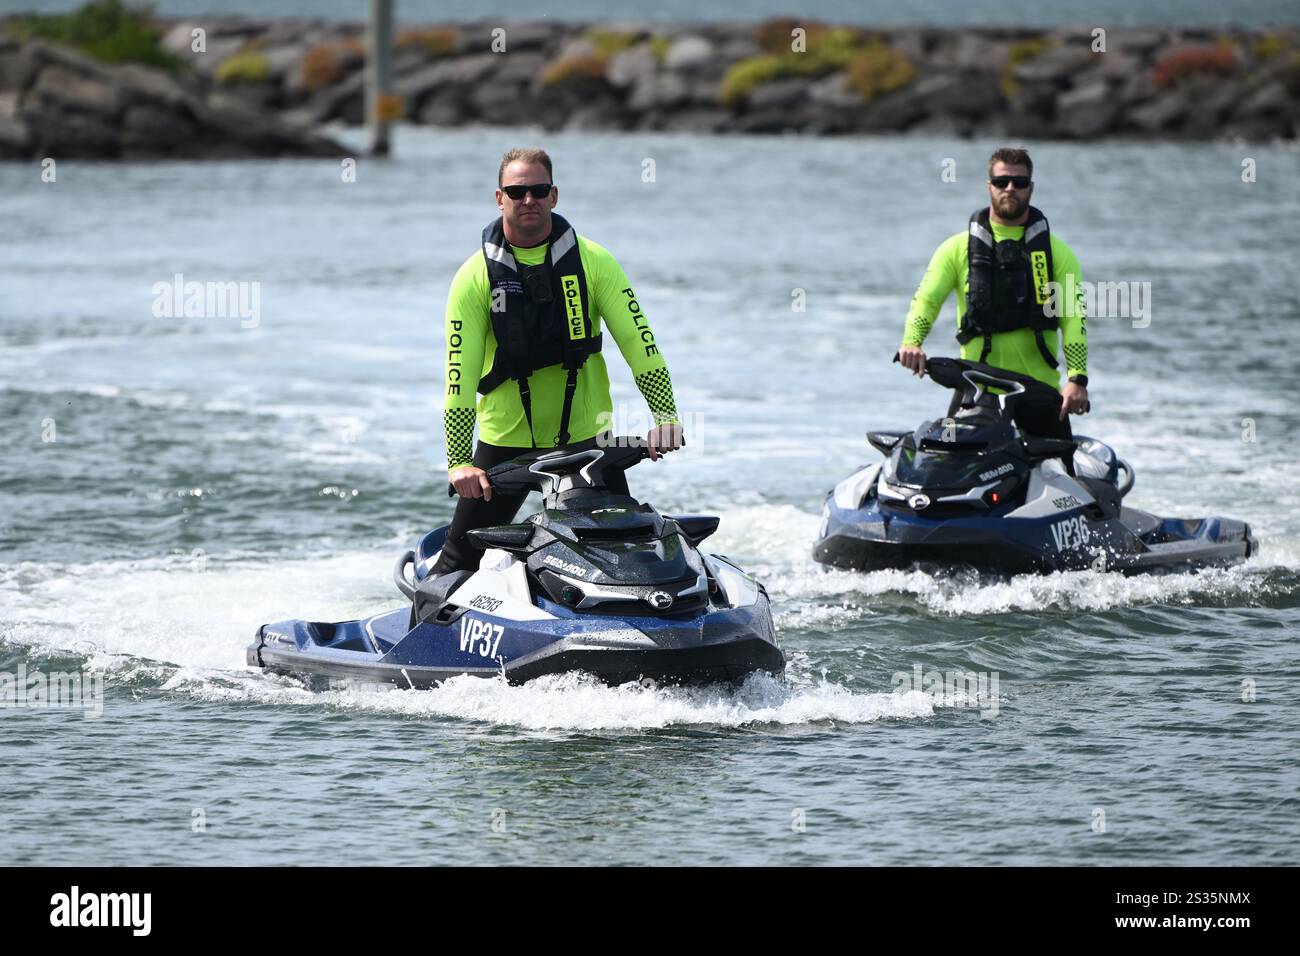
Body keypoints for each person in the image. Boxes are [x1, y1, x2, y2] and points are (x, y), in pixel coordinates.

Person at [433, 147, 684, 575]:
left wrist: (666, 417)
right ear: (500, 198)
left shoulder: (594, 262)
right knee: (457, 564)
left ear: (554, 195)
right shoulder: (473, 279)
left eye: (538, 190)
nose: (527, 199)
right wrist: (460, 463)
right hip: (505, 445)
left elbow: (641, 346)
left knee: (629, 564)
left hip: (586, 443)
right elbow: (459, 377)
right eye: (517, 191)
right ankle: (419, 634)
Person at [897, 147, 1088, 445]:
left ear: (1031, 188)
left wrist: (1077, 379)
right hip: (976, 392)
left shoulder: (1058, 254)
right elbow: (927, 300)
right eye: (1001, 182)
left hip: (1038, 393)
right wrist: (912, 341)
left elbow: (1073, 318)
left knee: (1065, 478)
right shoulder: (956, 249)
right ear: (989, 186)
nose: (1010, 188)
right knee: (944, 470)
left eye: (1019, 182)